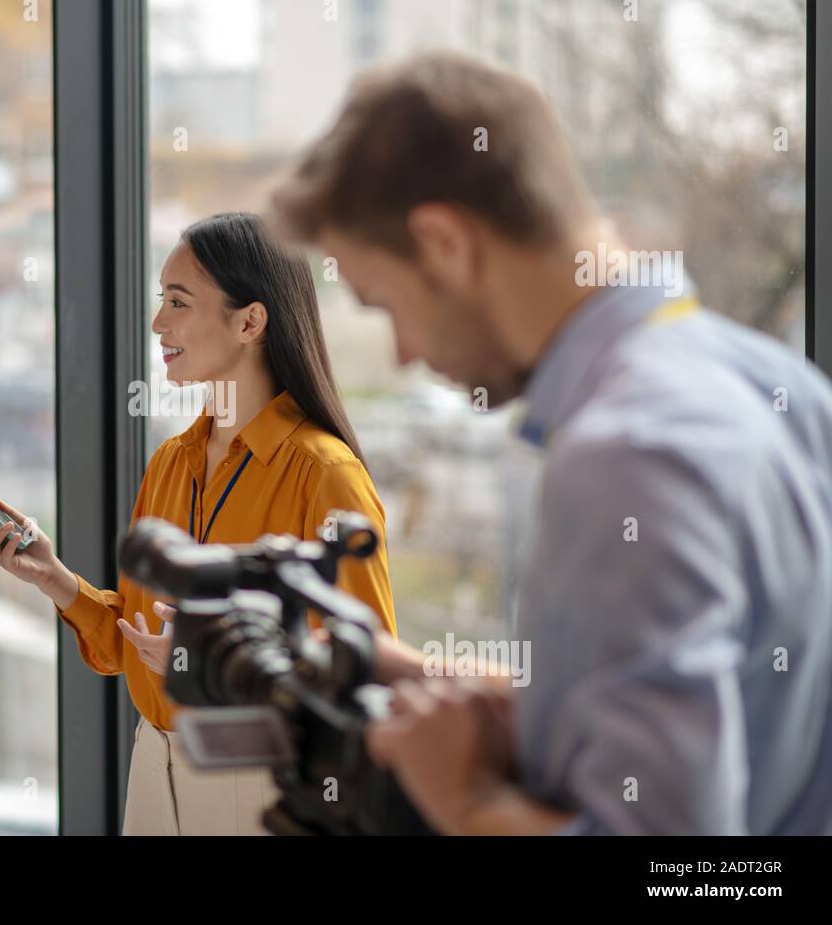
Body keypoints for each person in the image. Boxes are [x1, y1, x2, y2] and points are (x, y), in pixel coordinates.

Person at [270, 51, 832, 834]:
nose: (401, 352)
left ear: (445, 244)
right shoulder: (783, 388)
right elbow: (753, 721)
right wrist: (425, 678)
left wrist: (465, 802)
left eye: (382, 302)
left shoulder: (625, 458)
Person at [0, 211, 400, 834]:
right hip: (155, 766)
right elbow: (131, 644)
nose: (157, 323)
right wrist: (54, 576)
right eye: (160, 299)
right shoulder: (172, 463)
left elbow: (367, 676)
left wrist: (219, 668)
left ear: (250, 321)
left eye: (178, 301)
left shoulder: (324, 474)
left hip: (259, 781)